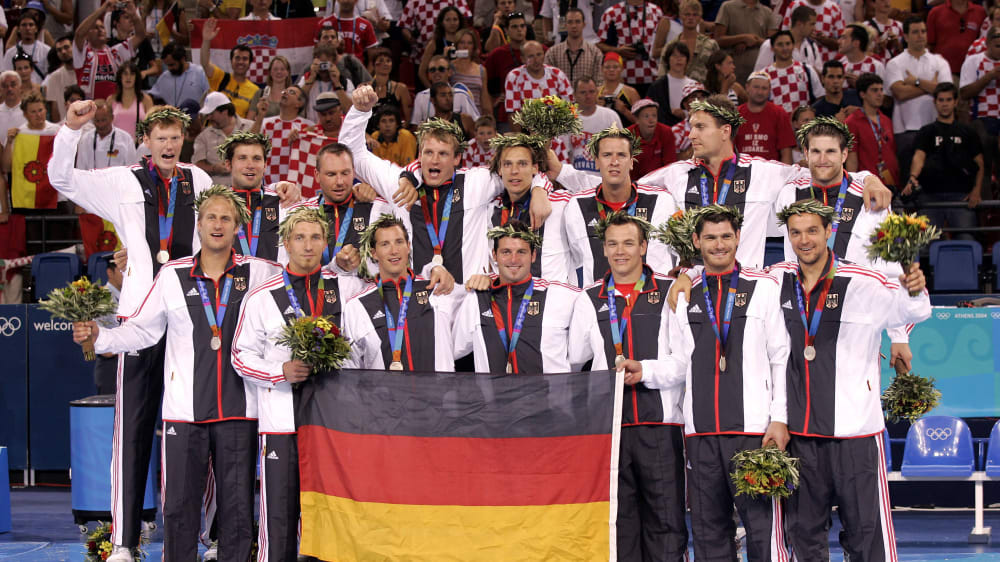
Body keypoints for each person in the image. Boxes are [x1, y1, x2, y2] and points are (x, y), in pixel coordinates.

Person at [48, 102, 298, 561]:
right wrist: (71, 128)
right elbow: (61, 180)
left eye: (175, 137)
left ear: (184, 140)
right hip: (141, 320)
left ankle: (204, 535)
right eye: (160, 137)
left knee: (206, 424)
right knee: (133, 433)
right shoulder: (122, 180)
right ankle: (123, 542)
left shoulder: (199, 182)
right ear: (145, 140)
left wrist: (284, 194)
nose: (168, 144)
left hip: (195, 319)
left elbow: (233, 222)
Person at [73, 185, 280, 562]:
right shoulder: (173, 274)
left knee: (237, 513)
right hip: (184, 412)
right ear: (198, 225)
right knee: (179, 509)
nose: (218, 225)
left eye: (226, 218)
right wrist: (101, 335)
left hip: (242, 409)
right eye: (211, 217)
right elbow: (142, 330)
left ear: (238, 228)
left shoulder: (261, 273)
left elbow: (302, 278)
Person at [770, 199, 931, 560]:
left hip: (855, 435)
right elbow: (727, 274)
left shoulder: (862, 281)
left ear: (829, 232)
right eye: (795, 232)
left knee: (866, 538)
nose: (804, 240)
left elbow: (911, 310)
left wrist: (914, 288)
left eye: (812, 230)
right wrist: (687, 273)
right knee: (803, 536)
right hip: (800, 435)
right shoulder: (775, 279)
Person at [630, 205, 790, 561]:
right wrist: (644, 370)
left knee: (763, 530)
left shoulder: (763, 288)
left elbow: (781, 357)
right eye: (711, 238)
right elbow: (677, 362)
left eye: (726, 237)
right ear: (696, 242)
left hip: (752, 433)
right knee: (707, 530)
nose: (719, 245)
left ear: (737, 239)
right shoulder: (682, 295)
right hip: (700, 435)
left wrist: (779, 419)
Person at [232, 207, 366, 561]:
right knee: (278, 515)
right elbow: (239, 356)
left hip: (333, 427)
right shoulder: (261, 296)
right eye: (300, 238)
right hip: (282, 425)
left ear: (326, 243)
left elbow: (369, 342)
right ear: (286, 243)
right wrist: (281, 371)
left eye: (316, 238)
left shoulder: (348, 289)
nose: (308, 246)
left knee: (331, 518)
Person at [639, 95, 891, 268]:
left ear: (725, 131)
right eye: (691, 127)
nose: (691, 135)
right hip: (691, 290)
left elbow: (822, 170)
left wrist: (868, 178)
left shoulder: (765, 172)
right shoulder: (674, 175)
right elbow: (625, 190)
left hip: (746, 297)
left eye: (700, 127)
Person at [344, 84, 551, 285]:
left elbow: (519, 172)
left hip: (467, 299)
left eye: (443, 154)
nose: (434, 161)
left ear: (457, 158)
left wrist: (539, 189)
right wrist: (360, 112)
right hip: (418, 300)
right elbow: (352, 155)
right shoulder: (399, 183)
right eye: (428, 153)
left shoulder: (476, 182)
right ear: (419, 155)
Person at [568, 211, 687, 561]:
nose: (621, 252)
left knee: (666, 524)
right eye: (613, 244)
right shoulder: (588, 299)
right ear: (603, 249)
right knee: (620, 526)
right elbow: (576, 357)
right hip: (612, 432)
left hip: (660, 428)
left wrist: (645, 371)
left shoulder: (669, 291)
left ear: (644, 247)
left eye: (629, 243)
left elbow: (683, 363)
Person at [775, 116, 914, 368]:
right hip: (803, 316)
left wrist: (899, 336)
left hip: (857, 317)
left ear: (844, 154)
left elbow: (890, 267)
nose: (822, 159)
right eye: (815, 151)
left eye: (830, 151)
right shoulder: (790, 193)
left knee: (857, 402)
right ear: (805, 154)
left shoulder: (871, 198)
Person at [549, 125, 678, 285]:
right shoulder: (577, 205)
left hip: (652, 303)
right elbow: (573, 262)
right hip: (597, 304)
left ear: (631, 162)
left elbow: (677, 255)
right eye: (607, 155)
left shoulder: (661, 201)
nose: (614, 162)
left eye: (621, 155)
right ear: (596, 161)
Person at [341, 213, 466, 370]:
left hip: (437, 393)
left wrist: (485, 279)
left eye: (399, 242)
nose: (394, 251)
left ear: (408, 246)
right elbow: (350, 367)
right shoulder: (357, 306)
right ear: (374, 253)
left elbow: (475, 309)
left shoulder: (436, 289)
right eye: (385, 244)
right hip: (384, 394)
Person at [454, 220, 581, 372]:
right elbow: (454, 348)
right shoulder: (476, 299)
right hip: (495, 395)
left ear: (533, 255)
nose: (513, 259)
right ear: (494, 255)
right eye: (506, 252)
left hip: (547, 396)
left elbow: (602, 301)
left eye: (521, 252)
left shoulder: (561, 296)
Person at [298, 141, 395, 274]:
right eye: (331, 174)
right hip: (316, 292)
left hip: (364, 292)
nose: (339, 182)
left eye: (345, 173)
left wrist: (378, 191)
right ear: (317, 175)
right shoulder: (300, 214)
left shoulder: (378, 209)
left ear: (354, 173)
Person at [905, 83, 982, 238]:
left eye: (948, 100)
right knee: (924, 243)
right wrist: (912, 178)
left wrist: (976, 191)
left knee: (966, 238)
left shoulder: (968, 132)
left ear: (955, 102)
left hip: (961, 195)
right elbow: (919, 157)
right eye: (941, 100)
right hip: (930, 195)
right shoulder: (926, 131)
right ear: (935, 102)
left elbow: (980, 164)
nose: (945, 104)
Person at [885, 17, 951, 186]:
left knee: (937, 178)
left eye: (923, 31)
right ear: (905, 36)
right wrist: (932, 86)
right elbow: (899, 93)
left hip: (936, 127)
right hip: (905, 131)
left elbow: (947, 92)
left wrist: (915, 81)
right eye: (915, 32)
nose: (920, 35)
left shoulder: (940, 62)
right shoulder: (895, 63)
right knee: (908, 180)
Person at [73, 0, 145, 100]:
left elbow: (140, 36)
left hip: (112, 109)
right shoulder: (82, 53)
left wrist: (134, 15)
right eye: (95, 28)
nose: (100, 30)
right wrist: (102, 9)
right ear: (87, 34)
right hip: (88, 108)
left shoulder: (116, 52)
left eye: (102, 27)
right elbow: (79, 34)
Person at [959, 26, 1000, 200]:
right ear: (988, 43)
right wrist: (989, 76)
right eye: (998, 46)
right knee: (983, 165)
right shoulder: (974, 61)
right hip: (982, 119)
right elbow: (965, 93)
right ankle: (986, 210)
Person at [596, 0, 665, 95]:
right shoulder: (611, 13)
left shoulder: (656, 12)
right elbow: (599, 44)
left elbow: (665, 43)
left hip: (653, 76)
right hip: (623, 78)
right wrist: (618, 51)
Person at [504, 40, 573, 133]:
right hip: (527, 132)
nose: (536, 60)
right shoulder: (514, 77)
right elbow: (513, 113)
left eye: (539, 54)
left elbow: (570, 106)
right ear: (522, 59)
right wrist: (520, 140)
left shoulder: (557, 74)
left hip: (556, 130)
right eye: (531, 56)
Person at [846, 72, 898, 189]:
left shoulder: (886, 120)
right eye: (874, 90)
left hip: (890, 184)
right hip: (867, 186)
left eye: (881, 90)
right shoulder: (852, 122)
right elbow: (851, 158)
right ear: (862, 94)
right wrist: (852, 188)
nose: (880, 94)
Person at [199, 18, 260, 118]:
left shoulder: (255, 90)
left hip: (236, 133)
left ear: (250, 63)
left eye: (245, 59)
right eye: (237, 58)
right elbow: (205, 63)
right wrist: (206, 40)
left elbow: (249, 121)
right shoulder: (220, 76)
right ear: (231, 61)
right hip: (212, 130)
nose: (241, 62)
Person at [257, 86, 314, 185]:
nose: (285, 93)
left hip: (296, 185)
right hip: (268, 184)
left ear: (299, 103)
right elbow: (249, 141)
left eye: (291, 92)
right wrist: (260, 115)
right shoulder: (265, 123)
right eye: (284, 91)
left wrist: (299, 140)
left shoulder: (308, 126)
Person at [194, 92, 253, 186]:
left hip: (248, 191)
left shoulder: (251, 127)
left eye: (211, 114)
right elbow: (197, 165)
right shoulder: (203, 137)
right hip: (218, 194)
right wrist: (214, 168)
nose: (208, 118)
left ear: (225, 111)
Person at [736, 71, 796, 163]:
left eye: (764, 88)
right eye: (756, 87)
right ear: (747, 87)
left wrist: (784, 176)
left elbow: (786, 152)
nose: (760, 92)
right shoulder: (736, 114)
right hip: (741, 172)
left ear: (769, 90)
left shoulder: (779, 114)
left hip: (770, 173)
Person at [483, 11, 529, 128]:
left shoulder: (539, 50)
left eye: (522, 26)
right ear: (506, 31)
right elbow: (484, 84)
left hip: (535, 114)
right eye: (514, 26)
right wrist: (493, 102)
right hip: (507, 115)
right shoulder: (498, 54)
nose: (519, 30)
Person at [762, 30, 825, 114]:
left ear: (793, 46)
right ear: (772, 48)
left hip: (803, 126)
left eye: (788, 44)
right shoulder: (764, 75)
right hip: (777, 125)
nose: (785, 48)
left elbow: (820, 96)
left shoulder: (807, 70)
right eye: (780, 44)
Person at [714, 0, 775, 83]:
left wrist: (755, 40)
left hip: (759, 75)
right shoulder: (727, 7)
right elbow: (718, 39)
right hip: (732, 73)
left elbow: (774, 43)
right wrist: (742, 38)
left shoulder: (767, 12)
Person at [410, 55, 481, 127]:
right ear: (429, 74)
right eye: (432, 70)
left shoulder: (461, 95)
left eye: (441, 69)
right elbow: (415, 126)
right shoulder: (421, 97)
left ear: (449, 72)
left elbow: (476, 122)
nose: (437, 72)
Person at [570, 77, 623, 174]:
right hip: (575, 180)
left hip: (605, 179)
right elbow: (563, 154)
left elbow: (621, 149)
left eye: (591, 91)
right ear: (574, 95)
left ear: (597, 92)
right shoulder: (567, 119)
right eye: (583, 92)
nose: (588, 96)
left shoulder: (611, 116)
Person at [543, 7, 603, 87]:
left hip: (586, 98)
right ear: (565, 25)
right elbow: (547, 82)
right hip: (560, 98)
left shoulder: (595, 53)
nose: (574, 26)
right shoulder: (552, 53)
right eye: (570, 22)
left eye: (577, 22)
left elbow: (599, 84)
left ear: (584, 24)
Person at [662, 0, 720, 83]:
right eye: (687, 14)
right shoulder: (670, 47)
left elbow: (719, 73)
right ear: (680, 16)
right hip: (677, 91)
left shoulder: (711, 45)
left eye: (695, 15)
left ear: (700, 17)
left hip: (704, 91)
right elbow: (662, 76)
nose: (691, 18)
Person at [753, 5, 821, 72]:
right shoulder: (770, 45)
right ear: (799, 24)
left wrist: (811, 71)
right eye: (812, 24)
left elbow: (820, 75)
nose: (814, 28)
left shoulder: (812, 46)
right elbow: (759, 75)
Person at [927, 0, 986, 75]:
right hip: (943, 72)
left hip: (973, 72)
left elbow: (985, 42)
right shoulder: (935, 12)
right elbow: (929, 45)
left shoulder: (981, 12)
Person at [75, 100, 138, 169]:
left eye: (104, 120)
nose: (101, 125)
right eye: (97, 121)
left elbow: (132, 169)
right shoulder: (85, 140)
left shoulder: (126, 139)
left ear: (112, 118)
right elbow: (80, 169)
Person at [298, 45, 353, 124]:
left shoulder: (345, 82)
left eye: (326, 64)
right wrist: (311, 79)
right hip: (311, 127)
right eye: (320, 64)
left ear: (334, 63)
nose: (323, 68)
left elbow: (350, 110)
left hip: (336, 129)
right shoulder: (306, 80)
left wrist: (337, 83)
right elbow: (296, 102)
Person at [148, 42, 210, 110]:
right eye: (167, 65)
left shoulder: (199, 72)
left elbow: (209, 95)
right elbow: (151, 95)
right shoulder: (165, 76)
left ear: (182, 59)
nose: (169, 68)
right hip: (173, 117)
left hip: (196, 117)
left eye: (172, 65)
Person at [779, 0, 846, 62]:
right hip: (796, 60)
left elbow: (843, 42)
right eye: (812, 24)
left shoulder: (834, 8)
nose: (814, 28)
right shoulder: (795, 5)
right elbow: (784, 34)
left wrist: (825, 40)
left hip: (828, 64)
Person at [628, 98, 677, 178]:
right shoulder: (627, 136)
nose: (651, 120)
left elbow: (670, 165)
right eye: (646, 116)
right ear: (636, 119)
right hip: (635, 183)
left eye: (654, 115)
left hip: (661, 181)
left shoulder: (666, 132)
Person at [417, 6, 464, 88]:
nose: (452, 23)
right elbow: (422, 72)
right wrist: (433, 91)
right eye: (448, 20)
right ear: (442, 22)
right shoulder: (434, 43)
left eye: (455, 19)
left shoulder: (464, 42)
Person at [450, 27, 492, 116]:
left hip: (476, 115)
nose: (465, 46)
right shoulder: (449, 67)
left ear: (473, 47)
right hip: (456, 114)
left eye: (469, 43)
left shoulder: (481, 70)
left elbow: (484, 96)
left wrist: (489, 116)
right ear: (456, 45)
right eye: (462, 42)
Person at [367, 47, 412, 126]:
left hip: (393, 134)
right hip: (369, 133)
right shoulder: (364, 88)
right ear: (373, 65)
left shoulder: (401, 88)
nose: (385, 64)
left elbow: (408, 119)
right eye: (381, 60)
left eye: (388, 61)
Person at [2, 11, 49, 84]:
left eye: (31, 25)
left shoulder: (46, 50)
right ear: (19, 29)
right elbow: (6, 76)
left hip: (39, 90)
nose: (27, 28)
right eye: (24, 25)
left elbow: (49, 75)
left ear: (36, 29)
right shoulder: (10, 53)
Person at [109, 61, 153, 137]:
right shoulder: (111, 100)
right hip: (116, 146)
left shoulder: (146, 100)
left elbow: (152, 126)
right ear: (120, 77)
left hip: (138, 146)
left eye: (132, 74)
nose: (128, 77)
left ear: (136, 77)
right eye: (125, 74)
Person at [597, 52, 641, 125]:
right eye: (607, 67)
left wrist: (624, 111)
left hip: (625, 134)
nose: (611, 70)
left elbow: (640, 121)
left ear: (621, 68)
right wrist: (597, 109)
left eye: (615, 67)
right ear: (601, 69)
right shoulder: (596, 92)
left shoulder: (631, 92)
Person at [838, 23, 884, 89]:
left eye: (844, 38)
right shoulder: (839, 65)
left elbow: (882, 95)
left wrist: (860, 85)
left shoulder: (876, 66)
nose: (838, 41)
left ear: (856, 43)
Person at [41, 35, 75, 124]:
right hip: (65, 125)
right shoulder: (54, 77)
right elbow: (54, 108)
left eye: (66, 47)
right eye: (59, 50)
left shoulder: (86, 71)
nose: (63, 52)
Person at [246, 56, 292, 121]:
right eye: (275, 69)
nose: (279, 72)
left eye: (282, 69)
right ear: (270, 72)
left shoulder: (293, 95)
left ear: (288, 72)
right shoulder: (259, 94)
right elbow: (249, 121)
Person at [0, 71, 25, 147]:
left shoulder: (29, 111)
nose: (9, 89)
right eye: (5, 86)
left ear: (20, 87)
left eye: (13, 85)